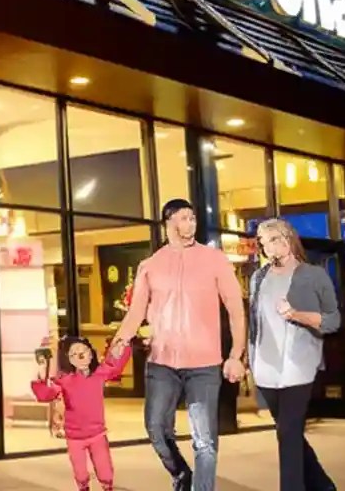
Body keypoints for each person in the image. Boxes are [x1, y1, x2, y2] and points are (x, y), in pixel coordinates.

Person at [110, 198, 247, 491]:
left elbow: (235, 309)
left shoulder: (215, 260)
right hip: (162, 362)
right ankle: (182, 474)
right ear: (168, 222)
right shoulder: (150, 265)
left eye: (193, 217)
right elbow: (136, 312)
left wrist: (236, 354)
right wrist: (119, 341)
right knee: (156, 429)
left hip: (204, 363)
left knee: (205, 441)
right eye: (184, 218)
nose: (190, 223)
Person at [249, 218, 340, 491]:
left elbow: (332, 320)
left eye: (275, 239)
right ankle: (322, 485)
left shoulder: (312, 275)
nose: (270, 247)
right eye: (264, 242)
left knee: (287, 434)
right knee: (289, 434)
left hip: (299, 366)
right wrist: (247, 357)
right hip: (266, 368)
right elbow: (254, 321)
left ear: (289, 239)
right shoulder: (258, 278)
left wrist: (297, 315)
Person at [32, 336, 130, 491]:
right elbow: (46, 395)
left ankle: (107, 486)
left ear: (91, 354)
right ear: (69, 360)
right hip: (74, 436)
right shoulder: (65, 380)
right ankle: (83, 487)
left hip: (97, 433)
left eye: (83, 351)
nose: (80, 355)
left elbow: (115, 367)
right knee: (80, 471)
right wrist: (41, 372)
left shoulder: (99, 373)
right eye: (74, 354)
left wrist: (121, 350)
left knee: (104, 468)